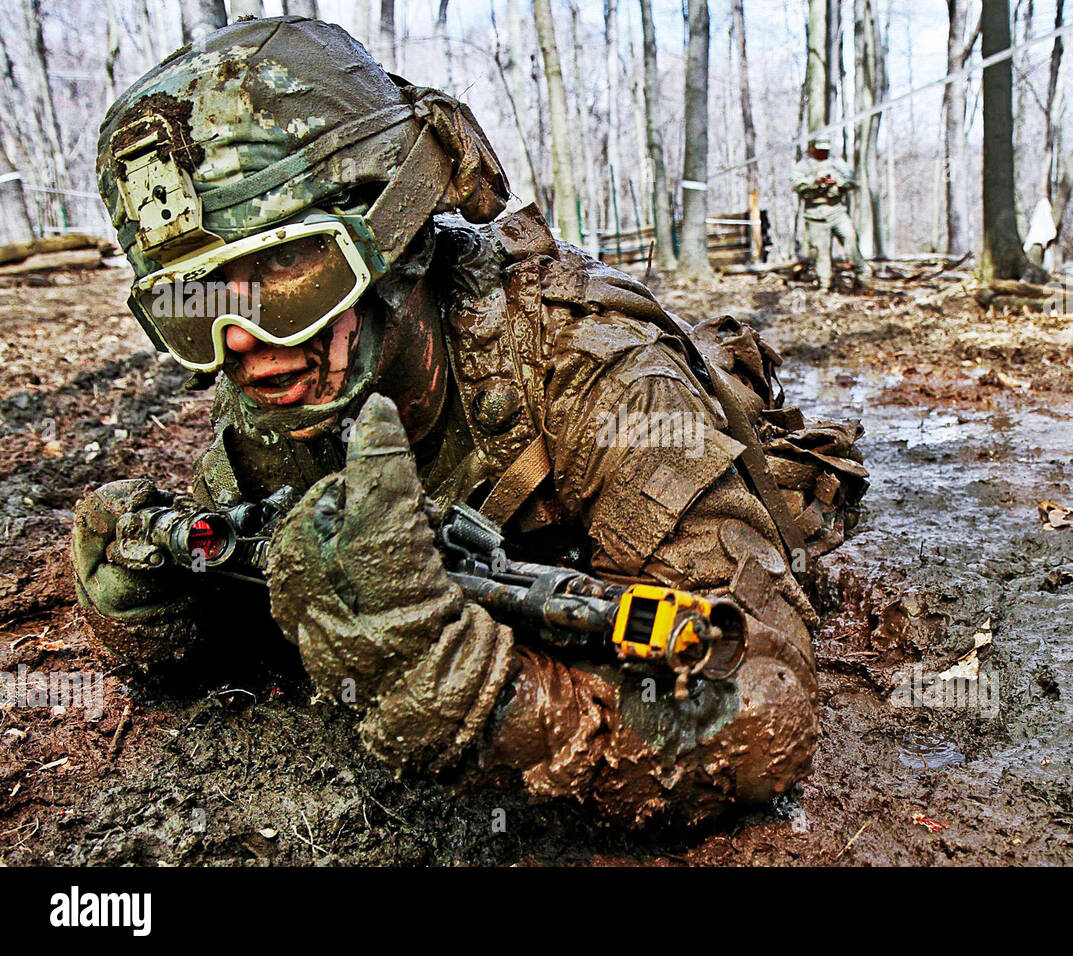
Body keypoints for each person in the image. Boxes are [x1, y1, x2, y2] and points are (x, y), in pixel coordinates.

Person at [74, 16, 863, 826]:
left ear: (398, 238)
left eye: (283, 268)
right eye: (192, 299)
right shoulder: (279, 388)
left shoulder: (589, 372)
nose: (241, 343)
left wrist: (488, 702)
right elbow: (239, 634)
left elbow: (764, 715)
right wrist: (149, 611)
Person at [791, 137, 866, 290]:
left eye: (825, 150)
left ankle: (861, 275)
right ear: (813, 148)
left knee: (850, 238)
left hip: (837, 211)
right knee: (821, 251)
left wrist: (836, 181)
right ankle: (824, 284)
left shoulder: (837, 163)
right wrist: (815, 181)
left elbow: (852, 181)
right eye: (820, 150)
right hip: (815, 214)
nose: (823, 153)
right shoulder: (803, 166)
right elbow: (796, 185)